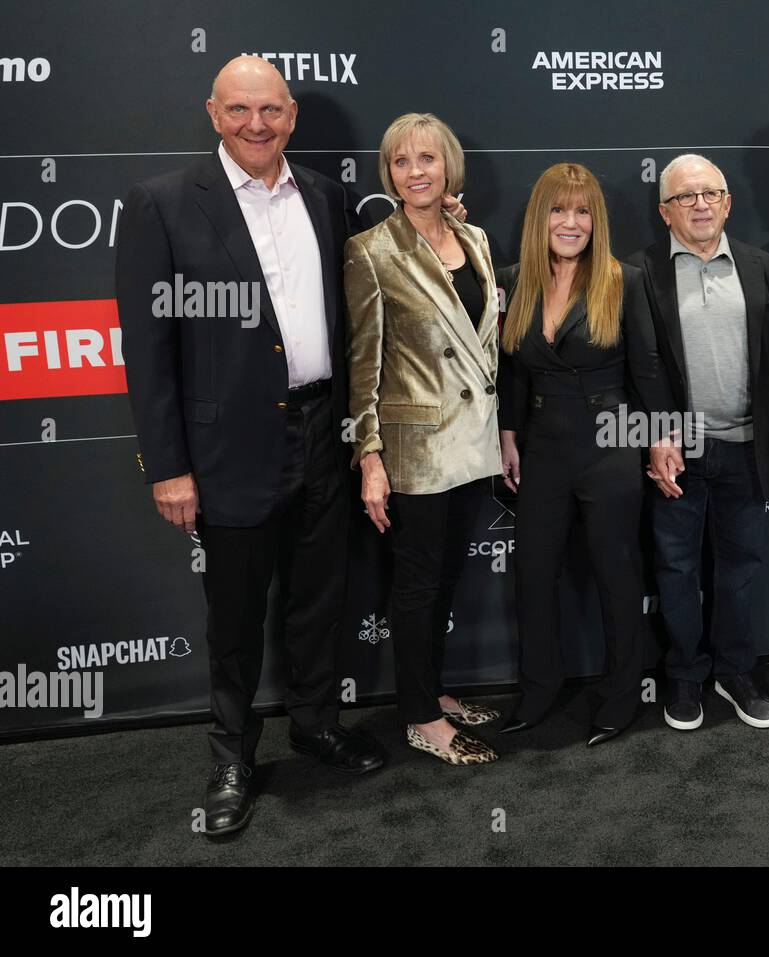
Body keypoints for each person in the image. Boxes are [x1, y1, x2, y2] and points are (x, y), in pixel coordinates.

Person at [115, 55, 385, 838]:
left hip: (322, 432)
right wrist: (168, 465)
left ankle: (315, 723)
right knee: (233, 619)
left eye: (269, 110)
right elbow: (148, 350)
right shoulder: (161, 205)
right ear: (213, 112)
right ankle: (232, 757)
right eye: (239, 111)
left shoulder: (330, 199)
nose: (256, 125)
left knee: (318, 601)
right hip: (226, 449)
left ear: (292, 114)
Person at [627, 154, 769, 732]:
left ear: (728, 202)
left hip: (747, 449)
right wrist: (658, 435)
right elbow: (641, 367)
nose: (701, 204)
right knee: (677, 570)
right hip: (678, 452)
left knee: (740, 568)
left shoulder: (763, 268)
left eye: (711, 194)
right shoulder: (639, 273)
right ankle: (684, 676)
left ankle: (736, 672)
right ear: (664, 211)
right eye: (686, 197)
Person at [496, 163, 674, 746]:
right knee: (532, 574)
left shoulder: (624, 280)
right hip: (543, 445)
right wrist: (508, 435)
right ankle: (538, 690)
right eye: (558, 210)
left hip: (610, 442)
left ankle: (622, 697)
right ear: (539, 216)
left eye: (583, 212)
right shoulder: (513, 279)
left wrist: (662, 438)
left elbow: (648, 368)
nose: (570, 223)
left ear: (596, 220)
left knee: (617, 573)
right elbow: (510, 372)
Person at [345, 113, 502, 766]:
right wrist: (369, 456)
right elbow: (364, 363)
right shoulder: (372, 249)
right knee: (416, 586)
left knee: (444, 580)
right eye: (402, 161)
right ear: (390, 173)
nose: (416, 171)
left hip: (472, 443)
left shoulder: (477, 238)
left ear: (449, 167)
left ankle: (432, 692)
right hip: (413, 449)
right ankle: (418, 717)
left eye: (428, 159)